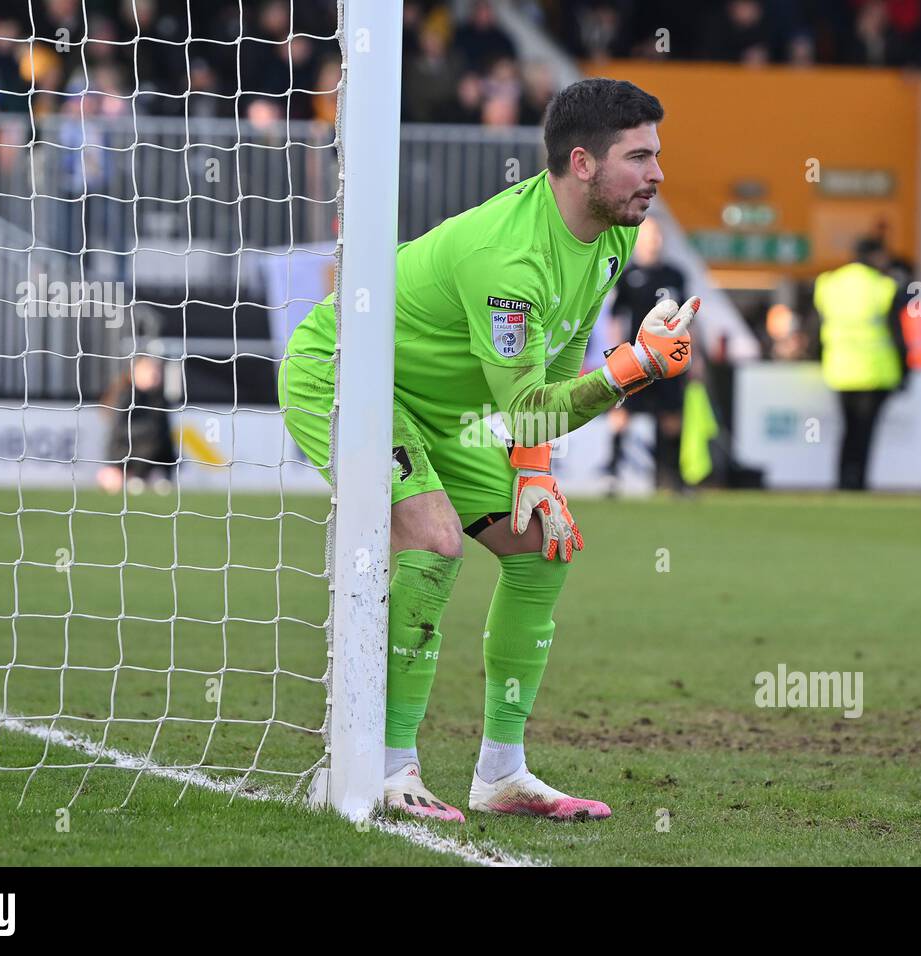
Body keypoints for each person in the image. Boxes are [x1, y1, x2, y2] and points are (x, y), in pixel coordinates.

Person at [277, 78, 697, 823]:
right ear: (583, 164)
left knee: (544, 545)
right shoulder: (509, 262)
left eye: (658, 154)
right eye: (640, 157)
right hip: (342, 379)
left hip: (444, 408)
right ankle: (387, 767)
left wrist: (533, 471)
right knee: (436, 544)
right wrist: (634, 367)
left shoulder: (616, 231)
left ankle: (502, 773)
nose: (658, 173)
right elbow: (532, 402)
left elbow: (559, 362)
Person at [813, 238, 904, 491]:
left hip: (840, 369)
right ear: (875, 256)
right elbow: (896, 333)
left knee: (848, 428)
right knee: (864, 431)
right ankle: (859, 481)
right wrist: (905, 370)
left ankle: (843, 479)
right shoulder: (882, 286)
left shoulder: (830, 284)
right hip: (875, 371)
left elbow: (816, 327)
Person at [605, 217, 689, 492]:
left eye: (657, 235)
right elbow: (617, 317)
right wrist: (616, 354)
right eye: (648, 235)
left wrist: (693, 357)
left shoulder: (675, 275)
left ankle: (671, 478)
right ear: (639, 240)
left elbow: (687, 319)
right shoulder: (628, 276)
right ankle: (613, 473)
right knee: (622, 414)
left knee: (671, 417)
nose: (654, 240)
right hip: (638, 357)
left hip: (669, 359)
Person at [97, 354, 177, 495]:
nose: (154, 374)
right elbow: (117, 433)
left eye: (156, 370)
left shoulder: (160, 399)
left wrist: (169, 466)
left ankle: (153, 474)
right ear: (134, 372)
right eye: (147, 370)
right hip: (126, 455)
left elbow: (166, 435)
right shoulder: (125, 396)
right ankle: (126, 475)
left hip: (154, 459)